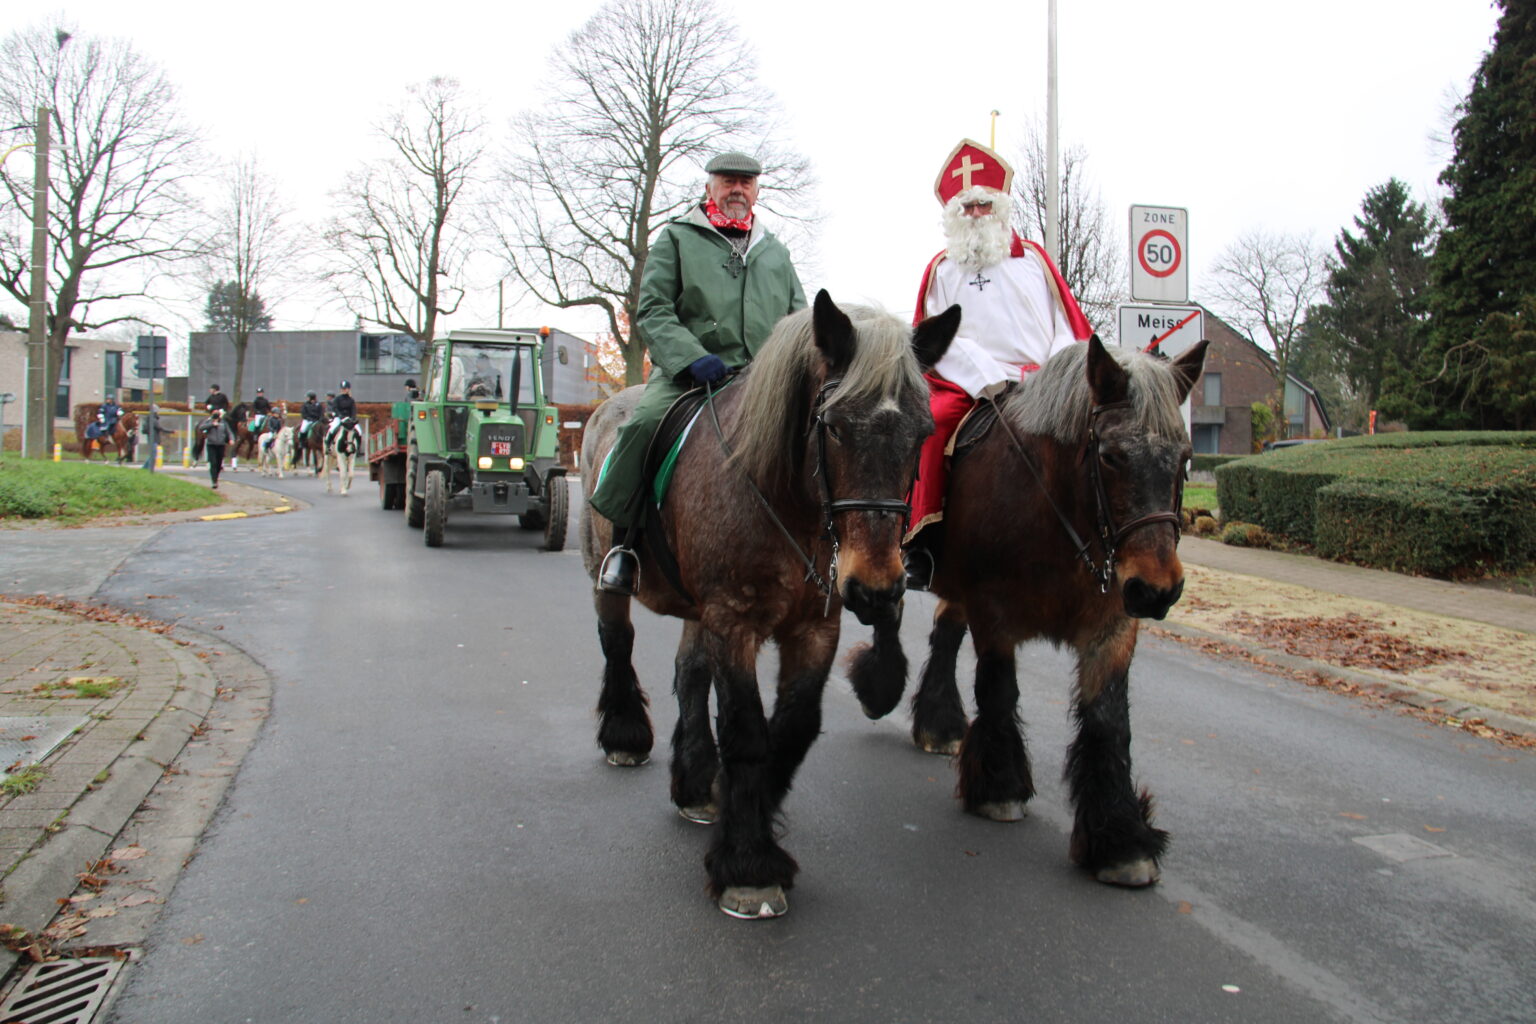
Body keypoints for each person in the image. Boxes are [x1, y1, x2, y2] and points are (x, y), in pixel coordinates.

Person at [588, 150, 806, 594]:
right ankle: (624, 546)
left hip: (761, 383)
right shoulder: (677, 238)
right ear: (710, 187)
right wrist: (690, 357)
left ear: (756, 190)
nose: (737, 190)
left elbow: (799, 319)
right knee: (643, 427)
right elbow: (653, 310)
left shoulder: (775, 252)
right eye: (728, 181)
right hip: (688, 376)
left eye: (746, 183)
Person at [903, 139, 1094, 590]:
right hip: (968, 385)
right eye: (966, 207)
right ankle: (922, 543)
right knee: (929, 425)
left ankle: (1100, 539)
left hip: (1040, 382)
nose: (975, 214)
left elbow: (1066, 324)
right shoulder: (941, 269)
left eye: (983, 204)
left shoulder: (1035, 260)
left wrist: (1055, 377)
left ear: (1001, 206)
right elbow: (937, 336)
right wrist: (986, 378)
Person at [200, 408, 235, 489]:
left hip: (221, 444)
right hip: (211, 445)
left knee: (219, 464)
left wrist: (231, 439)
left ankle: (216, 476)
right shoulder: (208, 421)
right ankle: (214, 481)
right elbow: (201, 427)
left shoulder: (223, 423)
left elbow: (229, 432)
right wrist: (212, 424)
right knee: (213, 463)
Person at [140, 404, 174, 472]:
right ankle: (148, 469)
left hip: (151, 439)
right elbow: (160, 428)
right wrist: (171, 431)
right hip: (153, 439)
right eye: (157, 411)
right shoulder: (153, 419)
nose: (158, 412)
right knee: (153, 455)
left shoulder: (149, 419)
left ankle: (145, 468)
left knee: (152, 455)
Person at [325, 380, 358, 446]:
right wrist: (340, 415)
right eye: (342, 389)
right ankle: (328, 444)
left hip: (348, 418)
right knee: (332, 428)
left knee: (358, 431)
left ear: (348, 389)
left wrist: (353, 418)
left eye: (345, 389)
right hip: (339, 418)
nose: (344, 390)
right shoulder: (337, 399)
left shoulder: (351, 400)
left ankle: (357, 447)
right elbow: (335, 408)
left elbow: (353, 410)